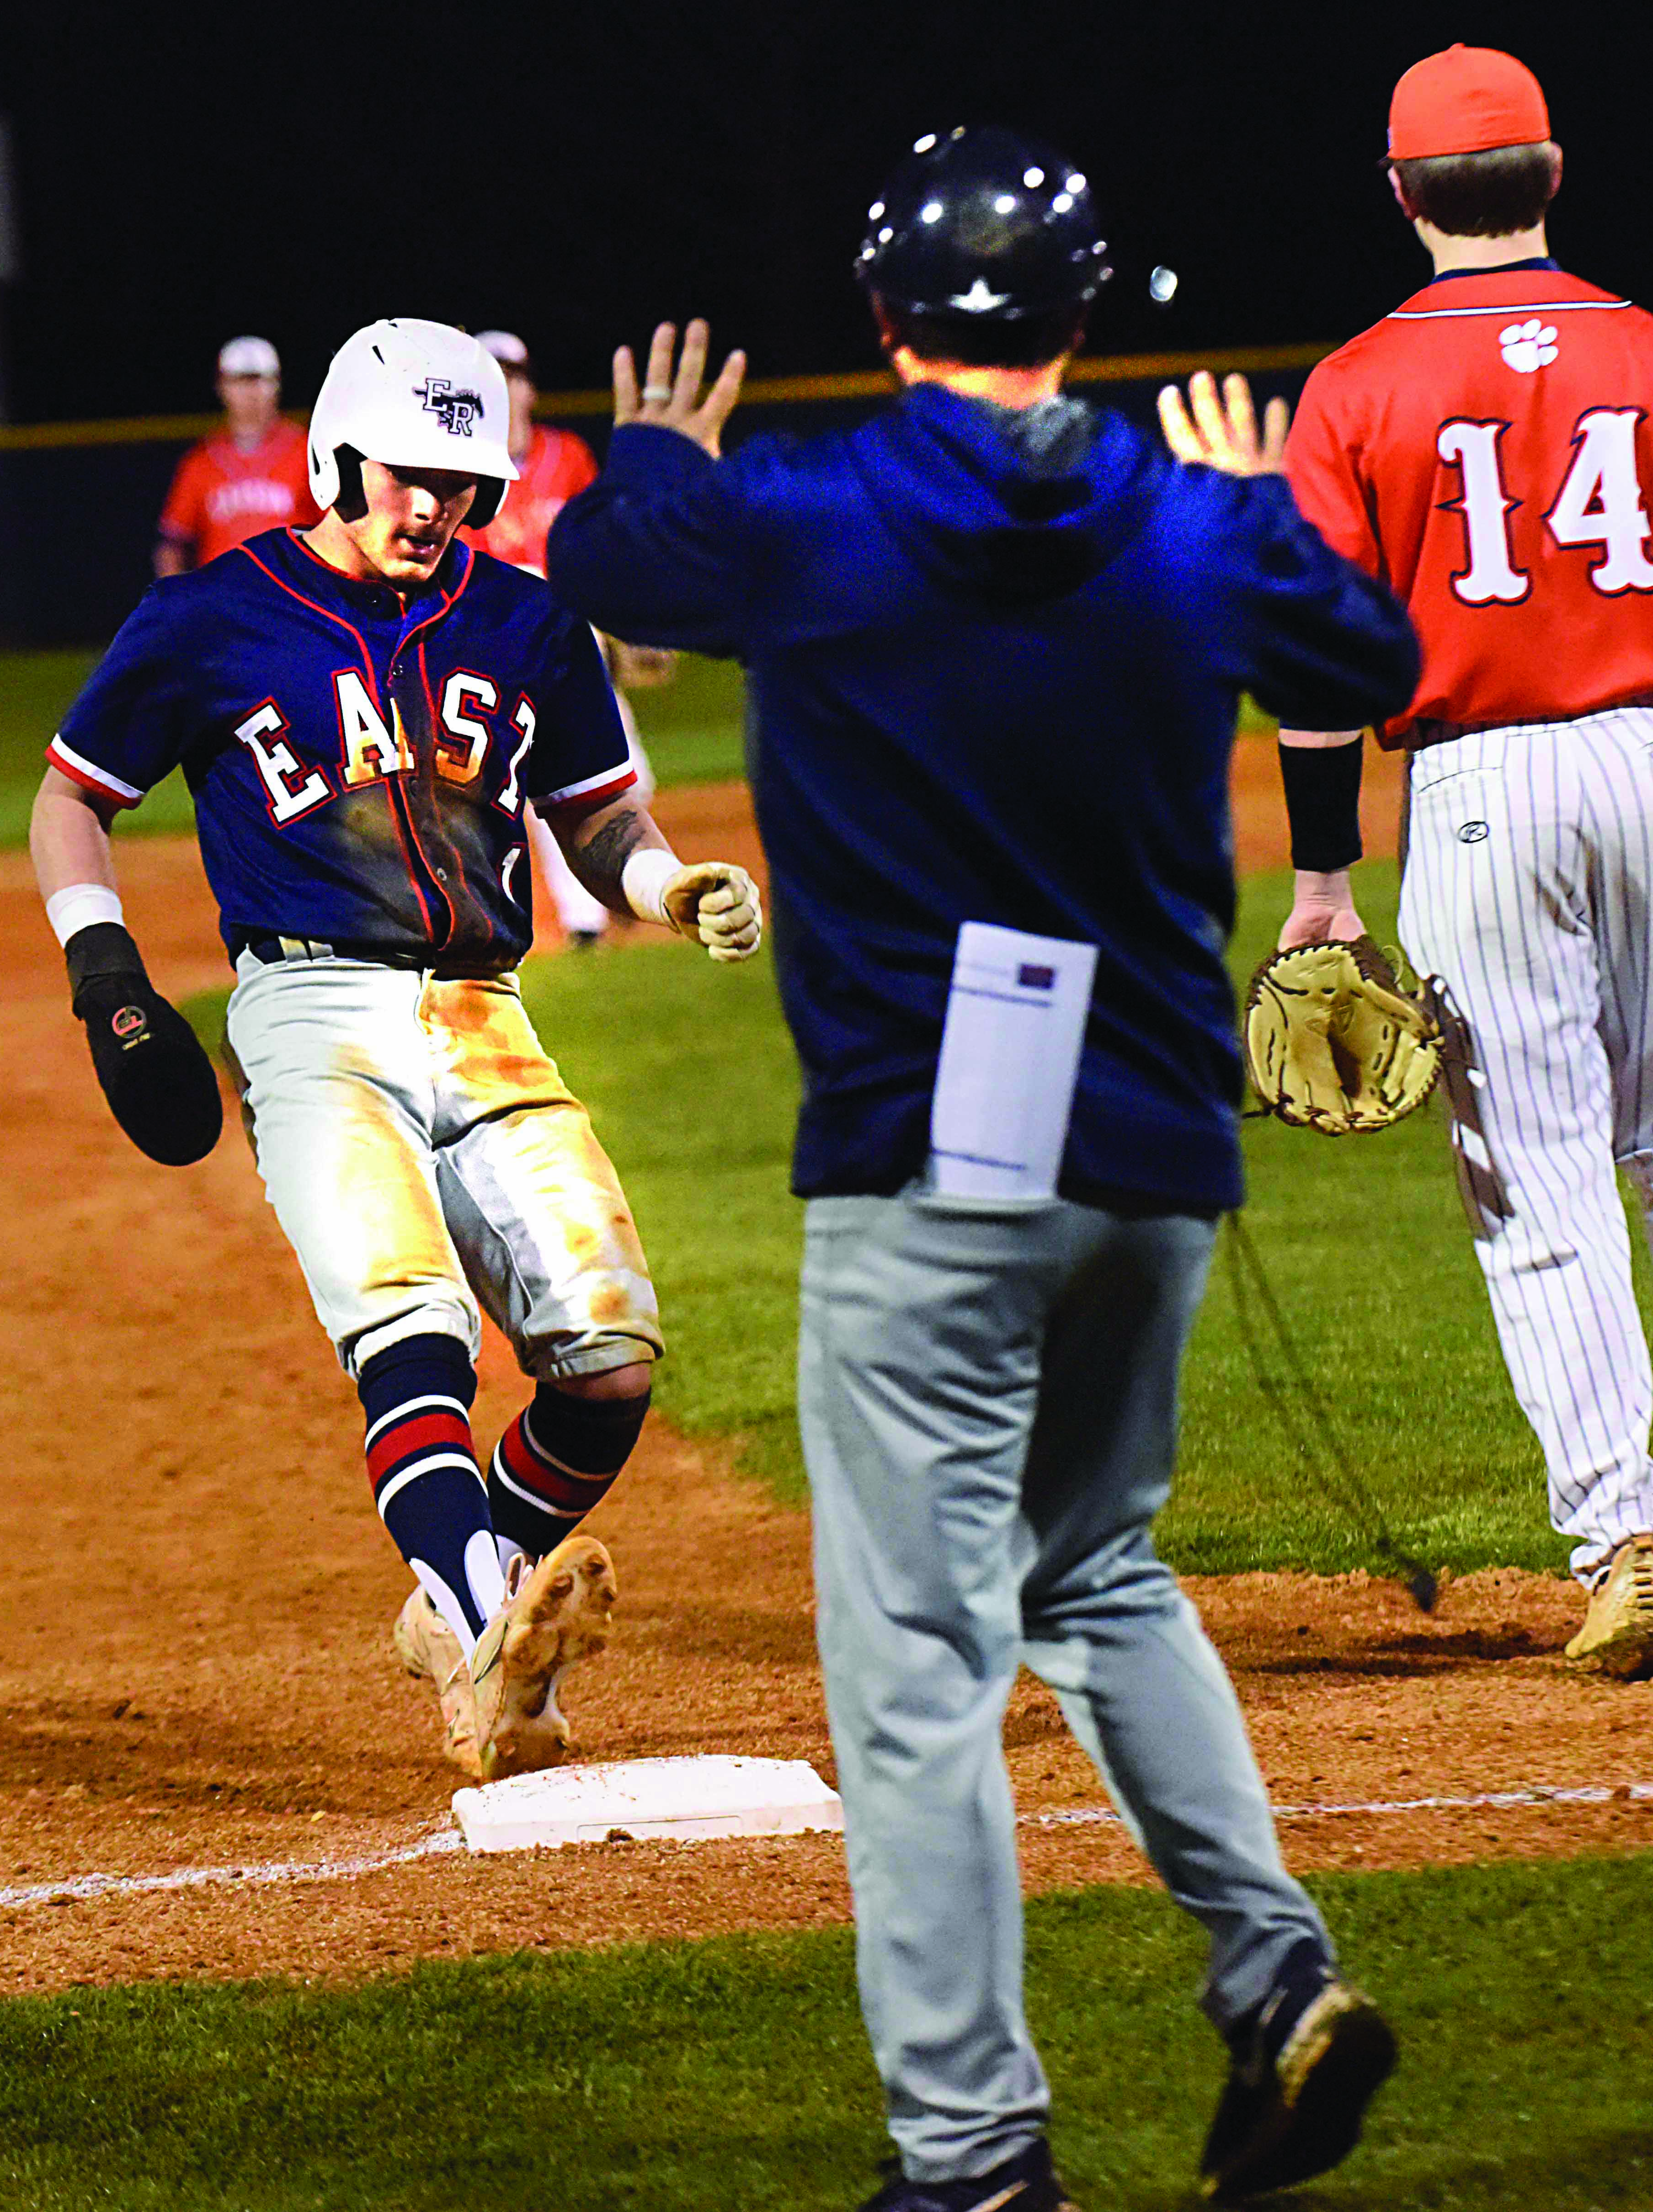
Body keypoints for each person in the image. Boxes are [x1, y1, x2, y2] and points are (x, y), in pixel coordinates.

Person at [549, 127, 1417, 2211]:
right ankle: (1275, 1967)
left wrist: (664, 444)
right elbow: (1373, 668)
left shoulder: (813, 518)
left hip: (928, 1158)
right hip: (1144, 1155)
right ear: (1088, 313)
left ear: (883, 314)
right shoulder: (1189, 523)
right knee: (1096, 1564)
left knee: (920, 1664)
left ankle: (970, 2151)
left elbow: (610, 555)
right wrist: (1259, 501)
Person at [31, 317, 763, 1781]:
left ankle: (464, 1597)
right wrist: (107, 976)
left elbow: (597, 816)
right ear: (335, 455)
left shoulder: (525, 620)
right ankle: (495, 1617)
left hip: (487, 1009)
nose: (436, 507)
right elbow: (72, 799)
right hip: (311, 1010)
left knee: (610, 1358)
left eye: (465, 484)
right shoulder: (210, 617)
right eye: (408, 475)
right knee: (408, 1321)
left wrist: (666, 885)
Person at [1197, 43, 1653, 1681]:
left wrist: (1322, 883)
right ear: (1548, 176)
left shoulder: (1354, 387)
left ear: (1399, 196)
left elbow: (1320, 665)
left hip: (1478, 788)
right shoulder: (1642, 348)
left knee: (1535, 1175)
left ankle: (1627, 1534)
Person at [463, 328, 676, 949]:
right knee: (543, 784)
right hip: (501, 647)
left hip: (578, 642)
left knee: (630, 777)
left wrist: (632, 619)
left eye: (513, 374)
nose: (505, 387)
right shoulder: (460, 473)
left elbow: (599, 552)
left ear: (529, 388)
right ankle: (584, 921)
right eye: (490, 375)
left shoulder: (568, 456)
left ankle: (622, 881)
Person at [154, 335, 319, 577]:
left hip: (291, 597)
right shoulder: (201, 461)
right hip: (223, 600)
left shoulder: (306, 450)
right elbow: (173, 545)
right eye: (240, 381)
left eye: (259, 380)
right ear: (221, 386)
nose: (251, 392)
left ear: (278, 384)